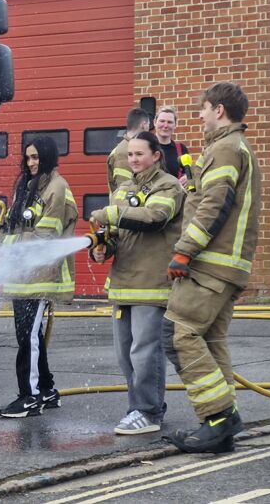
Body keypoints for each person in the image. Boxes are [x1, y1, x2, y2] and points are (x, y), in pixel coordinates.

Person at [164, 82, 261, 454]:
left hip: (211, 266)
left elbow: (214, 206)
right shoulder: (236, 148)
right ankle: (222, 421)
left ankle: (219, 418)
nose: (200, 115)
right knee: (210, 340)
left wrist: (185, 251)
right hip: (229, 267)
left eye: (203, 109)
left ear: (219, 110)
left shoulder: (224, 148)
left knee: (179, 334)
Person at [89, 132, 184, 435]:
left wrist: (112, 214)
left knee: (145, 353)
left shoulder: (167, 186)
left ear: (156, 155)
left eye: (139, 154)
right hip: (123, 285)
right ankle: (142, 407)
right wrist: (103, 248)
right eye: (130, 155)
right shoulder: (124, 189)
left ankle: (148, 411)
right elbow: (118, 232)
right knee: (126, 354)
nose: (133, 160)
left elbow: (154, 217)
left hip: (152, 285)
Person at [0, 136, 78, 418]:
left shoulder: (57, 189)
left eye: (36, 157)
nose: (31, 163)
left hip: (42, 278)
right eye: (28, 157)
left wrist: (7, 243)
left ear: (48, 157)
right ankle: (47, 390)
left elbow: (43, 237)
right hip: (22, 277)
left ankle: (29, 397)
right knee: (31, 336)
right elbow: (18, 230)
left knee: (29, 338)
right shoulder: (26, 187)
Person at [108, 108, 151, 193]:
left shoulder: (128, 148)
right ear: (143, 125)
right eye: (149, 125)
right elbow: (124, 189)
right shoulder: (123, 152)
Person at [153, 106, 190, 184]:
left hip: (175, 194)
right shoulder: (146, 146)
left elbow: (189, 175)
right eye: (162, 121)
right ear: (154, 122)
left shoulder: (181, 149)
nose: (165, 125)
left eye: (169, 122)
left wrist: (188, 177)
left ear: (175, 125)